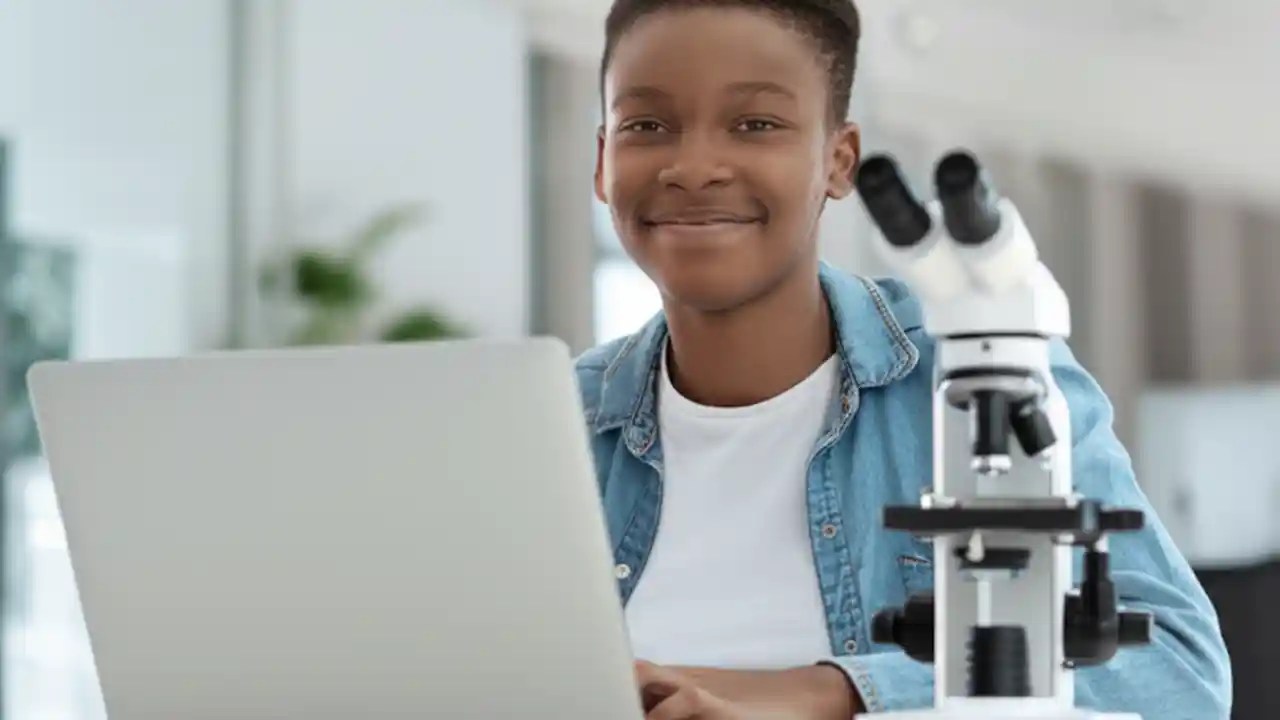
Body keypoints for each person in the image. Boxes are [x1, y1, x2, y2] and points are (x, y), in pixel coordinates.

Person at [576, 0, 1232, 717]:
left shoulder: (985, 368)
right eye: (647, 126)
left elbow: (1181, 675)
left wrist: (828, 693)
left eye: (755, 124)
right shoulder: (559, 424)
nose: (693, 167)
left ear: (838, 159)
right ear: (605, 162)